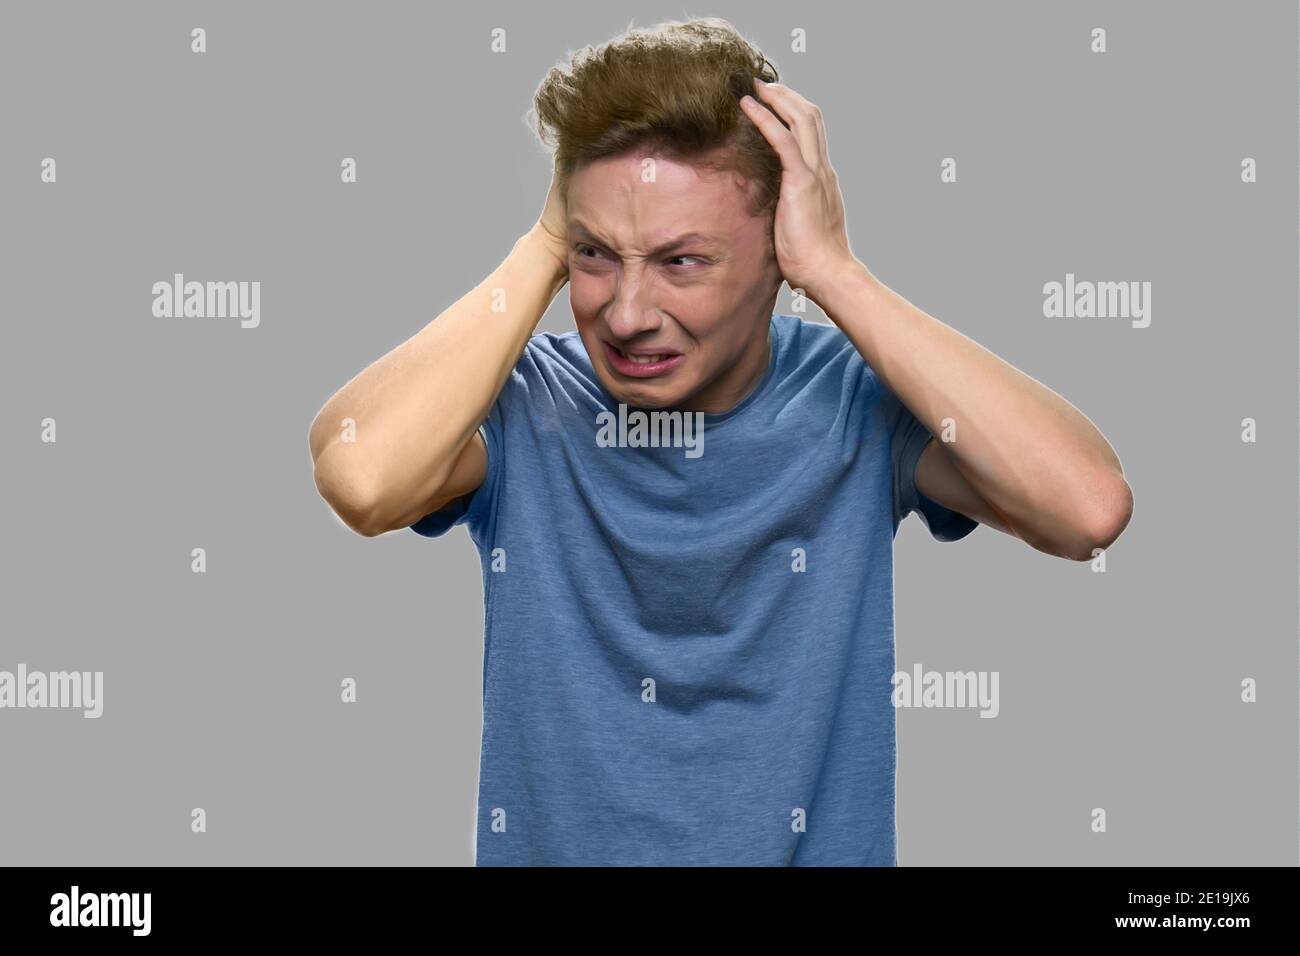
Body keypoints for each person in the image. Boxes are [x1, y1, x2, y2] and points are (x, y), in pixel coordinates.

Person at [308, 17, 1133, 866]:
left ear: (779, 254)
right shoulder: (527, 402)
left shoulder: (852, 400)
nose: (625, 314)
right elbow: (364, 477)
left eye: (681, 263)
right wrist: (545, 244)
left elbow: (1087, 508)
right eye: (596, 255)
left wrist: (839, 274)